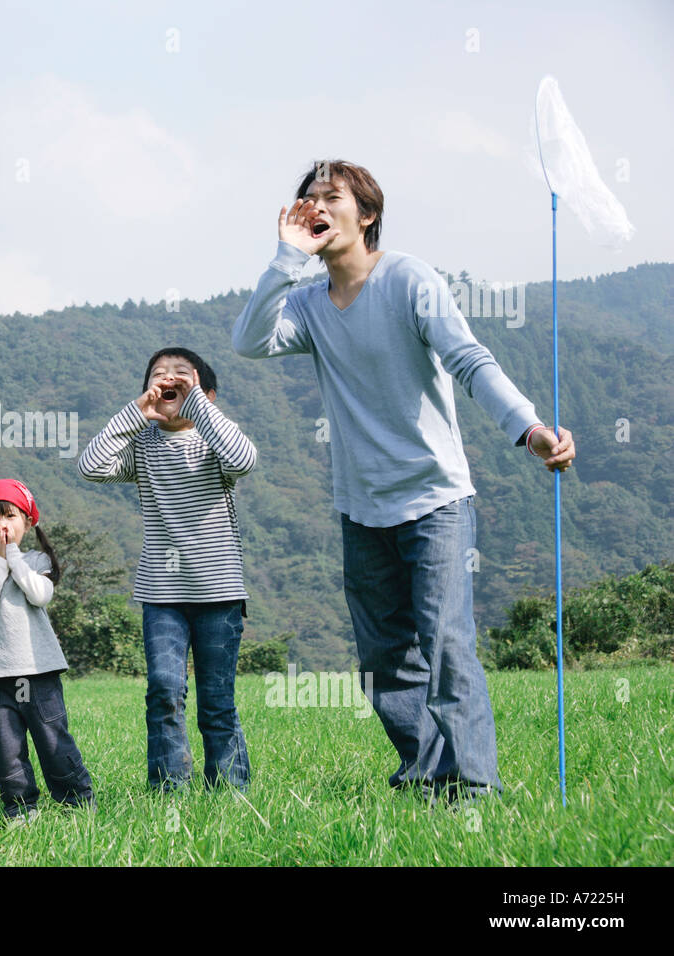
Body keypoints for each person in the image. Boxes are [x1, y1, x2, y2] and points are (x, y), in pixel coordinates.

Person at [231, 159, 576, 803]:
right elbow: (248, 341)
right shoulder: (306, 302)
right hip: (359, 506)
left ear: (366, 215)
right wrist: (284, 261)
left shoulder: (409, 279)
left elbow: (469, 361)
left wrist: (530, 430)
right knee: (384, 657)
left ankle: (474, 786)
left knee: (446, 645)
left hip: (434, 497)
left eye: (331, 197)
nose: (316, 206)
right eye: (307, 198)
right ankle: (427, 772)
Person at [78, 349, 258, 793]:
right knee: (163, 691)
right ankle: (168, 794)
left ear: (205, 394)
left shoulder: (215, 443)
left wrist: (196, 404)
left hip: (218, 592)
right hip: (162, 593)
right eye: (158, 376)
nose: (168, 380)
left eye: (181, 377)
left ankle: (231, 793)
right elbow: (91, 467)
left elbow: (244, 460)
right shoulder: (143, 445)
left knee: (217, 702)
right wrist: (136, 413)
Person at [0, 479, 95, 823]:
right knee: (7, 749)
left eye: (10, 516)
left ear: (27, 523)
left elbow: (40, 595)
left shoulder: (37, 560)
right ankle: (19, 808)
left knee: (53, 739)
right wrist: (0, 561)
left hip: (39, 669)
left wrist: (14, 557)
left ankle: (77, 802)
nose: (1, 525)